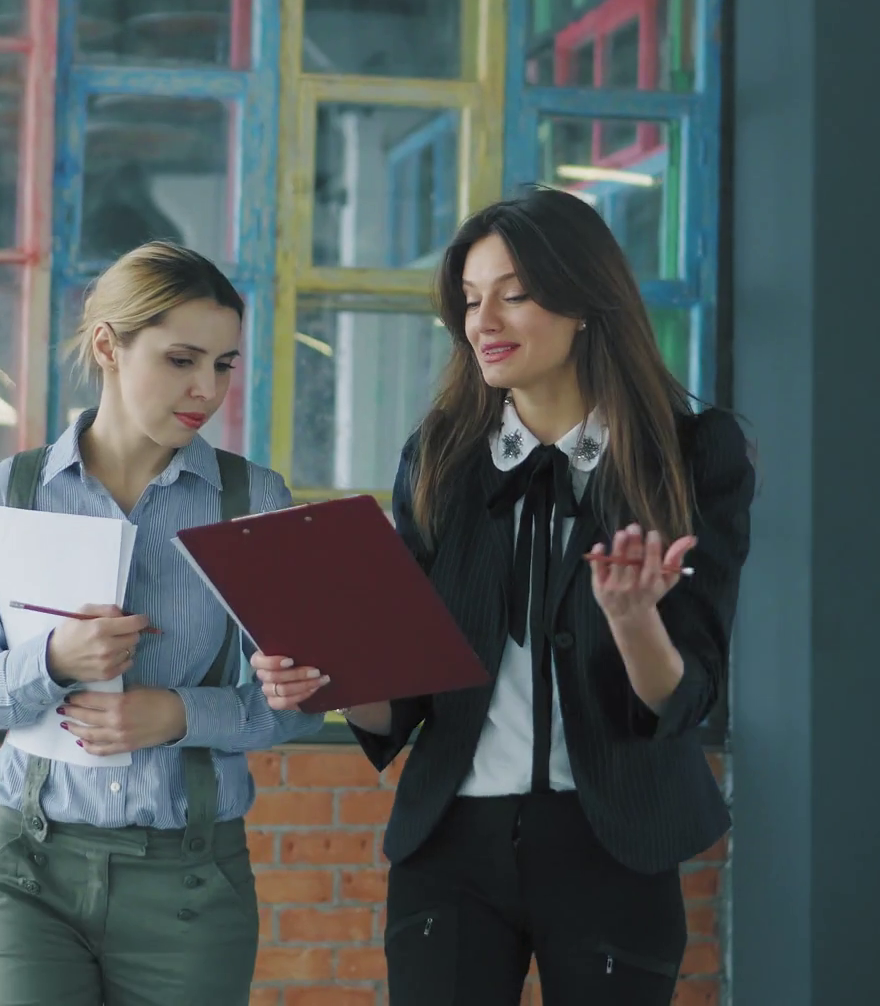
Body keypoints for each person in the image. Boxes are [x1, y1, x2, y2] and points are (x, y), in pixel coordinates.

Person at [254, 187, 756, 1005]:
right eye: (470, 300)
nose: (483, 321)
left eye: (514, 295)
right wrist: (332, 678)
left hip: (615, 843)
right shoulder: (440, 459)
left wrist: (634, 622)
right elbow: (404, 698)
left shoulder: (694, 455)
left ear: (585, 301)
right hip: (450, 847)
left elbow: (688, 693)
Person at [0, 241, 330, 1006]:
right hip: (27, 866)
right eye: (182, 359)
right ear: (109, 346)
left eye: (222, 364)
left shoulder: (256, 502)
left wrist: (181, 714)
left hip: (190, 880)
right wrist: (50, 659)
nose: (206, 388)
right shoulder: (15, 490)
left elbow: (304, 706)